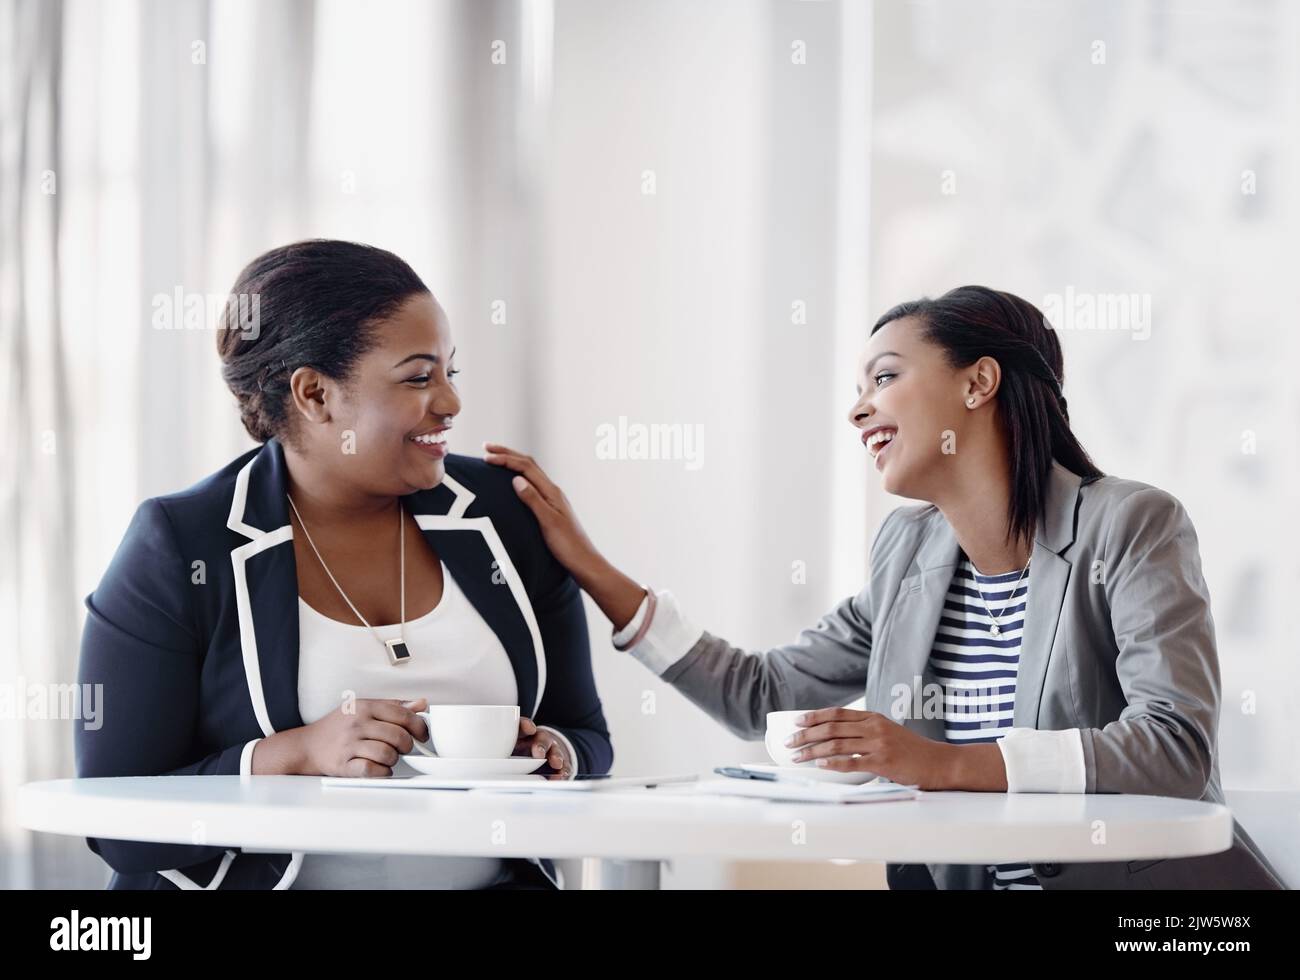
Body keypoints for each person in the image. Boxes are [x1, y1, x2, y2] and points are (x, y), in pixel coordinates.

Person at [486, 284, 1285, 890]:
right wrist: (587, 563)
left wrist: (939, 761)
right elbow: (760, 693)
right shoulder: (910, 551)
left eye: (886, 377)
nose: (858, 409)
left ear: (978, 384)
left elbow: (1174, 748)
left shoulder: (1131, 524)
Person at [75, 239, 611, 890]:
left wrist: (556, 752)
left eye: (451, 372)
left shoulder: (505, 512)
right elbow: (115, 823)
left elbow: (587, 735)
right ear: (314, 394)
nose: (450, 402)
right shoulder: (182, 544)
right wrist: (294, 755)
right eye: (419, 376)